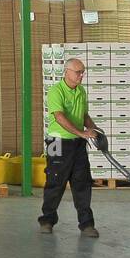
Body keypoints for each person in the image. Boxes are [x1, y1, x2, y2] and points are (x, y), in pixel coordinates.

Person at [39, 57, 100, 238]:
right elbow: (59, 117)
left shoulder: (81, 91)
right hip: (55, 142)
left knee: (82, 182)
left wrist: (93, 128)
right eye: (78, 72)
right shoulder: (55, 91)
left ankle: (87, 224)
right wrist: (81, 133)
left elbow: (83, 115)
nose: (81, 75)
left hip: (77, 144)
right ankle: (47, 220)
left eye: (82, 72)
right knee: (54, 181)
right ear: (66, 72)